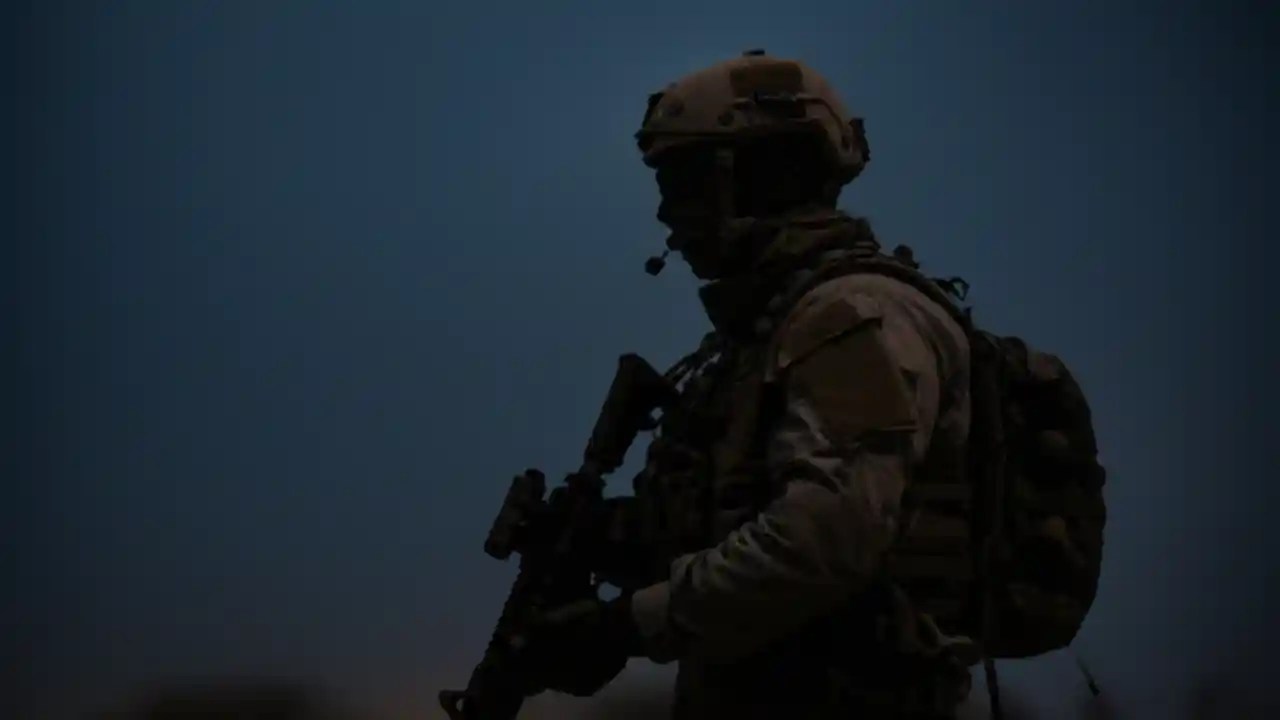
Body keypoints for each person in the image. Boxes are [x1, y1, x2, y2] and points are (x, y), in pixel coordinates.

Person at [523, 50, 980, 720]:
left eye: (681, 183)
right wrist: (613, 537)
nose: (665, 216)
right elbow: (735, 520)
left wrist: (629, 626)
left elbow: (825, 538)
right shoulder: (768, 331)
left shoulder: (849, 316)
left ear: (758, 177)